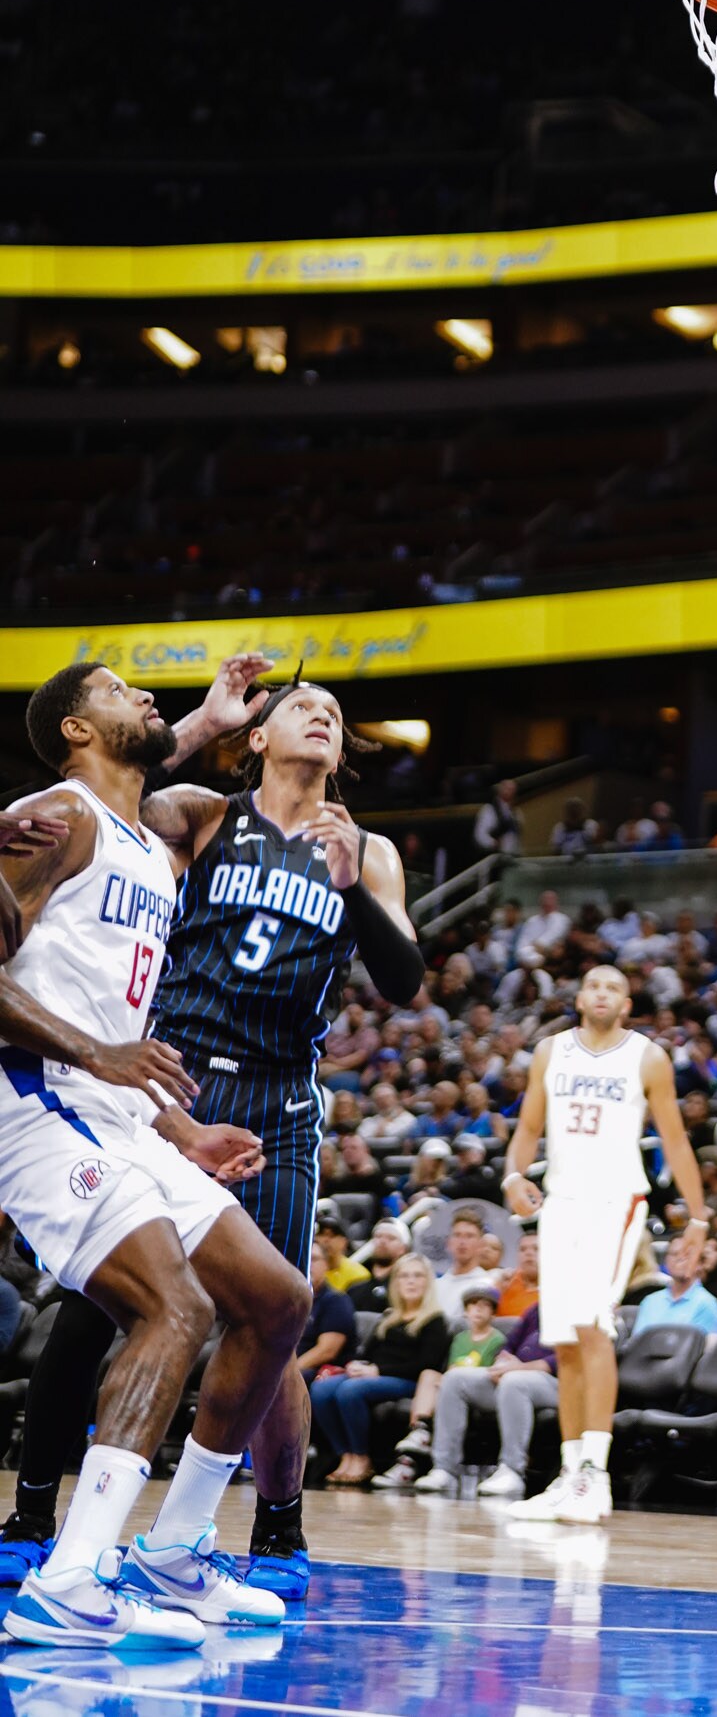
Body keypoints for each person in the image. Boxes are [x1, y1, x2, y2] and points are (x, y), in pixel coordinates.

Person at [1, 664, 424, 1604]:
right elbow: (92, 799)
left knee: (276, 1303)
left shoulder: (349, 848)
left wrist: (177, 1124)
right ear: (260, 738)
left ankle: (203, 1543)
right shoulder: (180, 817)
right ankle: (52, 1545)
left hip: (214, 1100)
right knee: (146, 1307)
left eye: (336, 714)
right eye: (302, 706)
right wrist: (196, 725)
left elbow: (404, 979)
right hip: (107, 1074)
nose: (322, 715)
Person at [503, 964, 708, 1524]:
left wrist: (698, 1216)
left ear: (627, 1003)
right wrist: (513, 1177)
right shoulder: (550, 1052)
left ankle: (597, 1475)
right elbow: (526, 1131)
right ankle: (569, 1477)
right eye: (592, 984)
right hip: (560, 1203)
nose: (601, 993)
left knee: (594, 1330)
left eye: (613, 987)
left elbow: (674, 1138)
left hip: (616, 1202)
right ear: (578, 996)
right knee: (565, 1343)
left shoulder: (647, 1057)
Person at [311, 1254, 451, 1487]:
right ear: (395, 1282)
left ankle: (362, 1456)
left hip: (409, 1380)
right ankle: (346, 1455)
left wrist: (377, 1370)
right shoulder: (388, 1318)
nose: (411, 1281)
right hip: (377, 1376)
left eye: (417, 1276)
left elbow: (428, 1364)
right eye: (404, 1276)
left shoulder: (435, 1320)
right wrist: (358, 1365)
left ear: (428, 1282)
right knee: (321, 1389)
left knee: (350, 1390)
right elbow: (367, 1353)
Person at [413, 1301, 560, 1500]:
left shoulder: (581, 1304)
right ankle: (444, 1470)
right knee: (454, 1379)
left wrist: (521, 1368)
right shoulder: (536, 1309)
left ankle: (512, 1470)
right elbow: (509, 1345)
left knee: (514, 1381)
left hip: (559, 1383)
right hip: (515, 1376)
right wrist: (501, 1364)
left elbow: (568, 1359)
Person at [376, 1286, 510, 1488]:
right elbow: (450, 1366)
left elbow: (488, 1371)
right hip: (452, 1381)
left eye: (485, 1306)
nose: (478, 1310)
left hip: (478, 1385)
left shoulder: (497, 1339)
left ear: (494, 1312)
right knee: (429, 1375)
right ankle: (420, 1430)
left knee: (449, 1382)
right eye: (473, 1305)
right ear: (465, 1310)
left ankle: (423, 1437)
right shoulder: (459, 1338)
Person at [294, 1239, 358, 1383]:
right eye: (303, 1257)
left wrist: (287, 1370)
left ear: (327, 1264)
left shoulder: (336, 1301)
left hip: (317, 1370)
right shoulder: (287, 1298)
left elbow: (326, 1351)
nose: (307, 1264)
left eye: (314, 1259)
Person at [634, 1235, 717, 1334]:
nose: (679, 1259)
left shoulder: (707, 1303)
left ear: (700, 1263)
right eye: (674, 1254)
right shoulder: (650, 1300)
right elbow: (637, 1341)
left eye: (687, 1255)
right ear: (665, 1261)